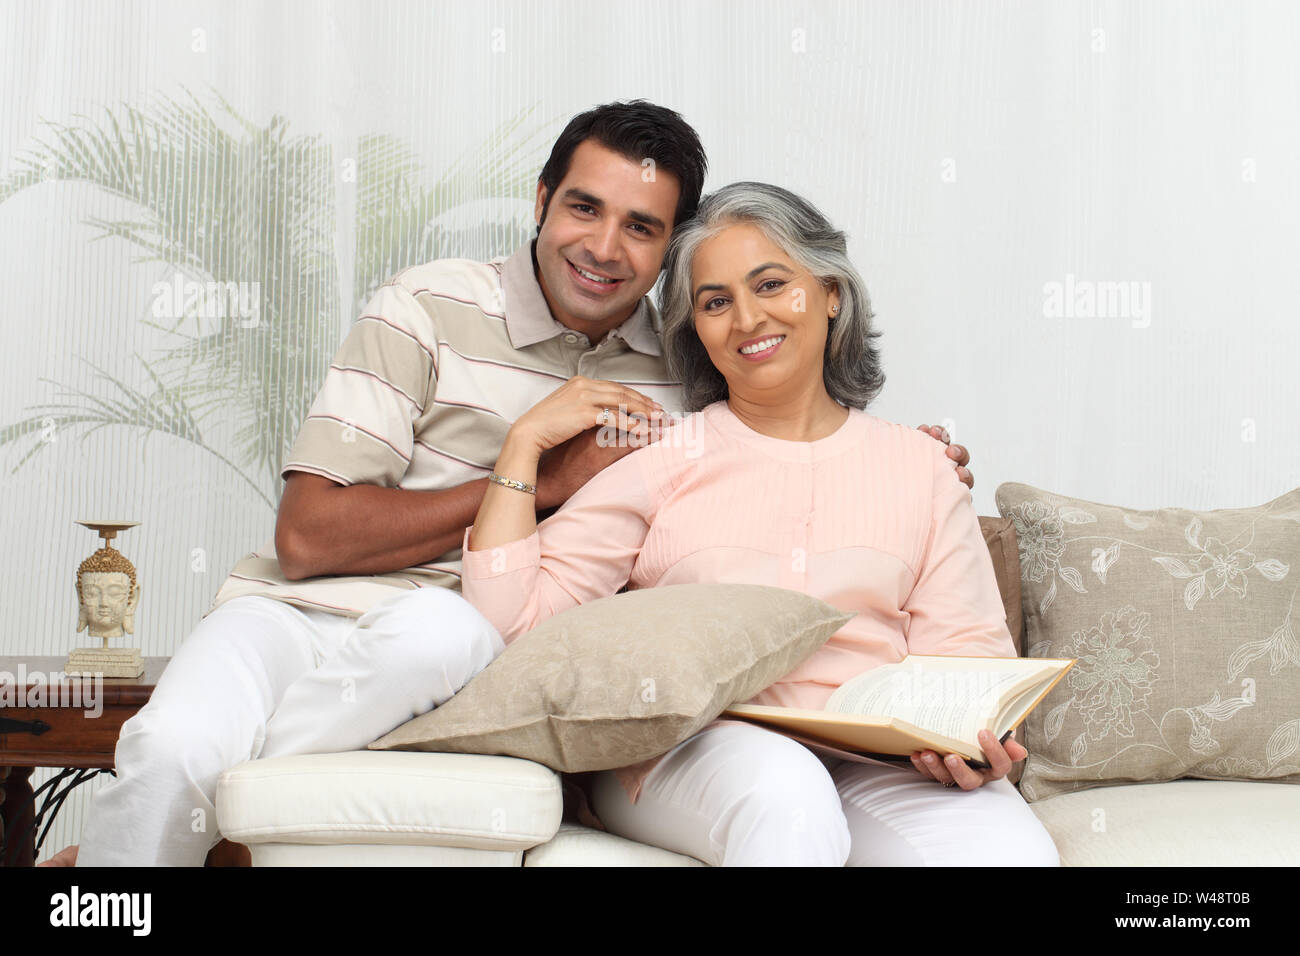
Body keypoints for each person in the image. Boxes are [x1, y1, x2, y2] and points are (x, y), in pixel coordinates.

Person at [48, 102, 973, 866]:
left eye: (642, 228)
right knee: (169, 750)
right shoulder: (426, 306)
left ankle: (221, 839)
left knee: (438, 630)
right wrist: (536, 474)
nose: (604, 247)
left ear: (668, 254)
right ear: (541, 200)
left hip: (478, 648)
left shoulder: (685, 363)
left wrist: (910, 456)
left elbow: (780, 418)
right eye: (584, 208)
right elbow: (308, 539)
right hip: (301, 617)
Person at [461, 181, 1059, 866]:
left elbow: (967, 651)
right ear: (699, 333)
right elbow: (509, 623)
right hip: (690, 749)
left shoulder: (921, 466)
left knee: (1008, 854)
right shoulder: (663, 457)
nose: (746, 318)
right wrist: (524, 447)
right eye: (716, 302)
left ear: (831, 293)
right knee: (788, 797)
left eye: (771, 285)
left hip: (881, 761)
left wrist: (972, 742)